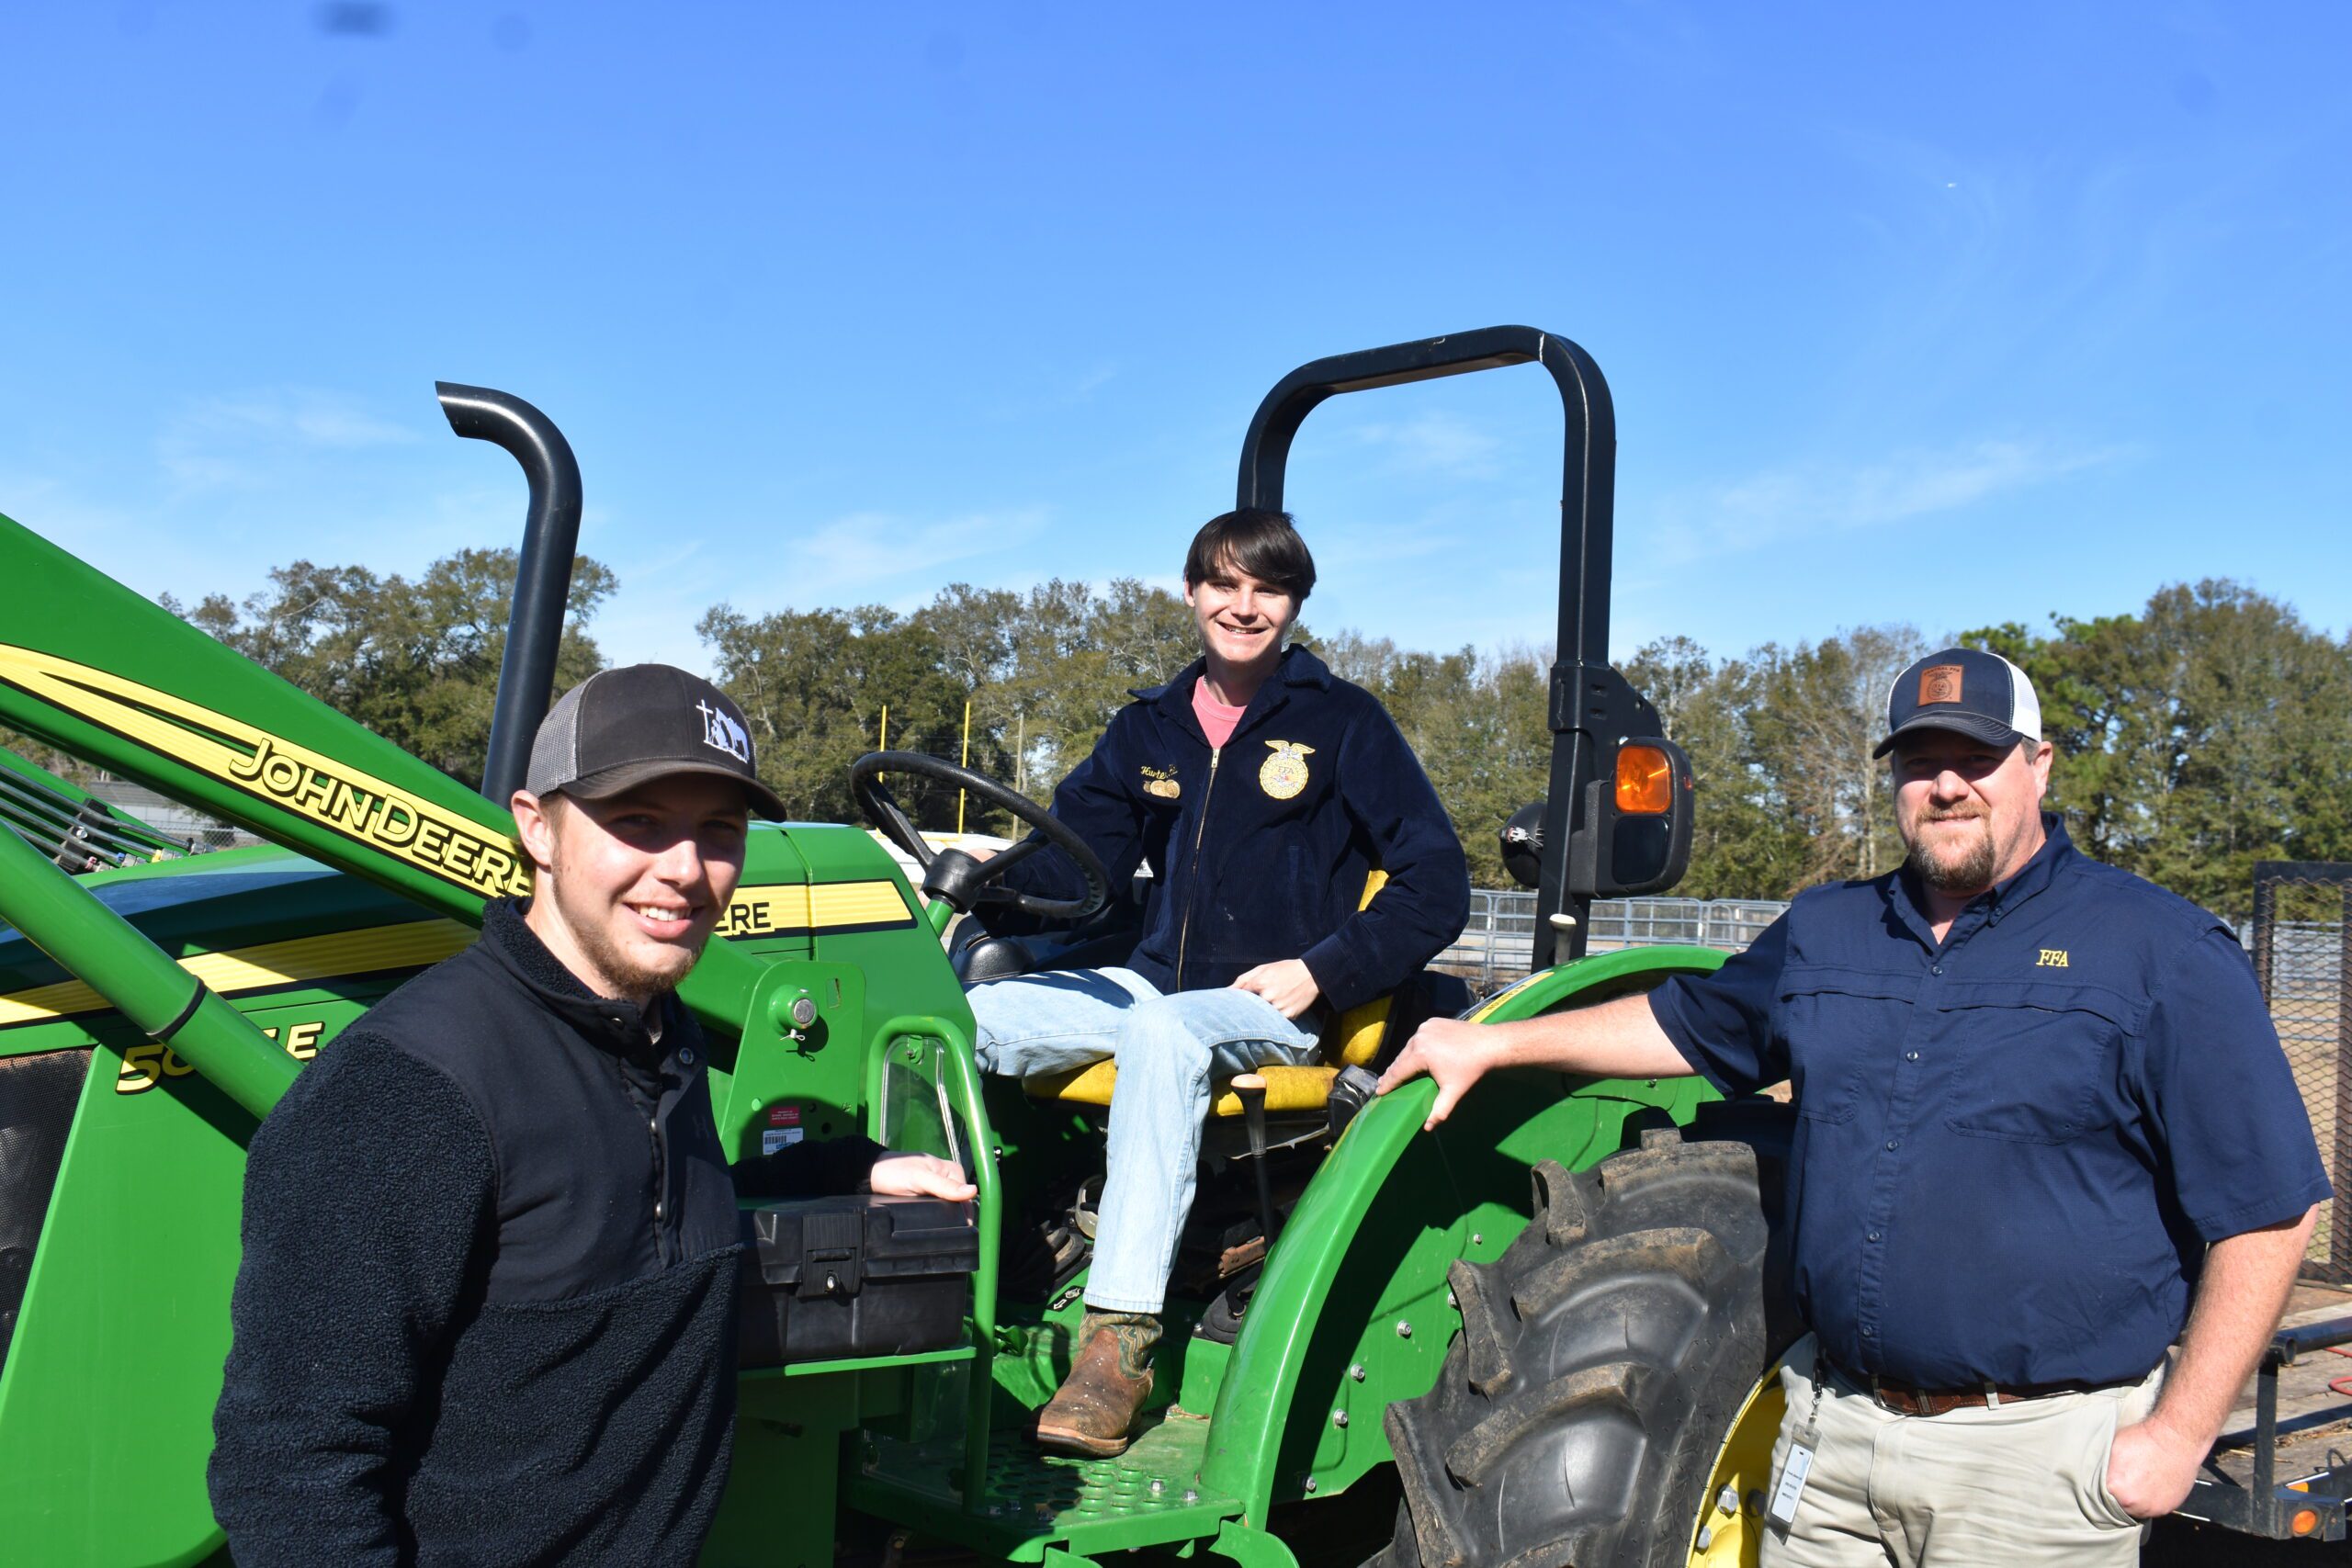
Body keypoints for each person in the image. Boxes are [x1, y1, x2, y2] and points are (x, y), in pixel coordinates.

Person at [1380, 646, 2330, 1566]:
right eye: (1919, 762)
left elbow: (2271, 1212)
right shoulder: (1832, 929)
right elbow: (1684, 1023)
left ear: (2038, 766)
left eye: (1975, 758)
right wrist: (1494, 1041)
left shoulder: (2157, 950)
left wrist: (2178, 1434)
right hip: (1833, 1444)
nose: (1946, 786)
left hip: (2030, 1467)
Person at [209, 664, 973, 1567]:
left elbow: (621, 1224)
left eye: (719, 831)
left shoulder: (658, 1033)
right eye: (638, 821)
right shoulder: (407, 1090)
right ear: (537, 827)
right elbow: (290, 1474)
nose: (685, 869)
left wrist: (839, 1167)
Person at [969, 508, 1471, 1456]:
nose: (1244, 607)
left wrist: (1321, 970)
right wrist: (979, 884)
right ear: (1192, 591)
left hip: (1272, 1007)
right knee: (962, 1019)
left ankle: (1117, 1344)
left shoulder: (1342, 723)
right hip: (1153, 988)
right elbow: (1076, 864)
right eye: (1226, 584)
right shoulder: (1147, 727)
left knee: (1162, 1036)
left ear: (1294, 604)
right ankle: (949, 1266)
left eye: (1267, 589)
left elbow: (1436, 884)